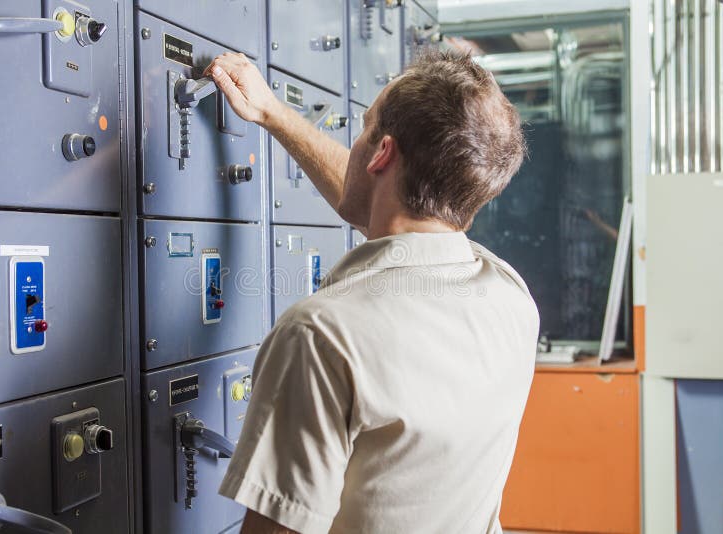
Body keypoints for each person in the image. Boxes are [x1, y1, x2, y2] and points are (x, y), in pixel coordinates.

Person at [203, 50, 540, 534]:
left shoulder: (323, 335)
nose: (355, 142)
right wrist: (274, 115)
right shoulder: (511, 296)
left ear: (381, 153)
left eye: (363, 128)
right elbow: (393, 212)